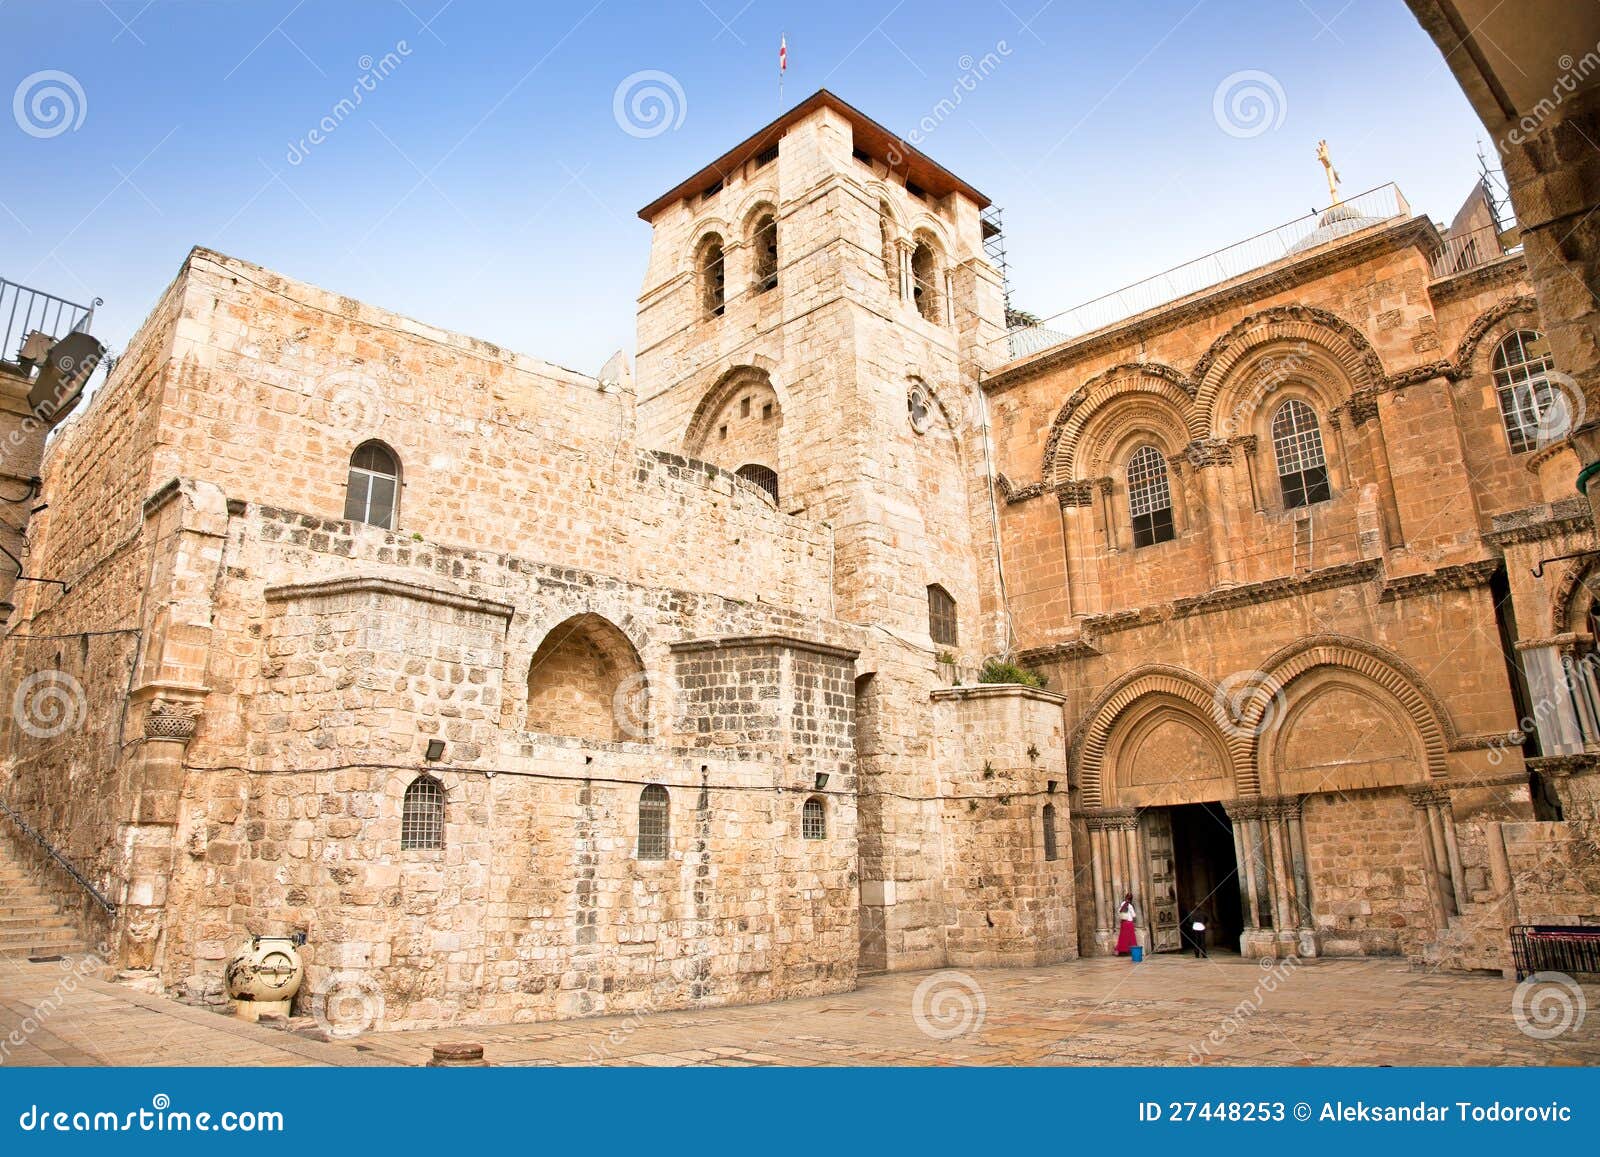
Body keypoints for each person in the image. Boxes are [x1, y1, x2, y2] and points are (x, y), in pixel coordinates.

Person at [1115, 891, 1138, 956]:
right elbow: (1133, 915)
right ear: (1131, 899)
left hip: (1123, 922)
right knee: (1131, 938)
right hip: (1129, 923)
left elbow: (1118, 911)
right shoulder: (1130, 906)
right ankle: (1130, 951)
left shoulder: (1122, 903)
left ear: (1126, 897)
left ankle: (1122, 951)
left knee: (1123, 937)